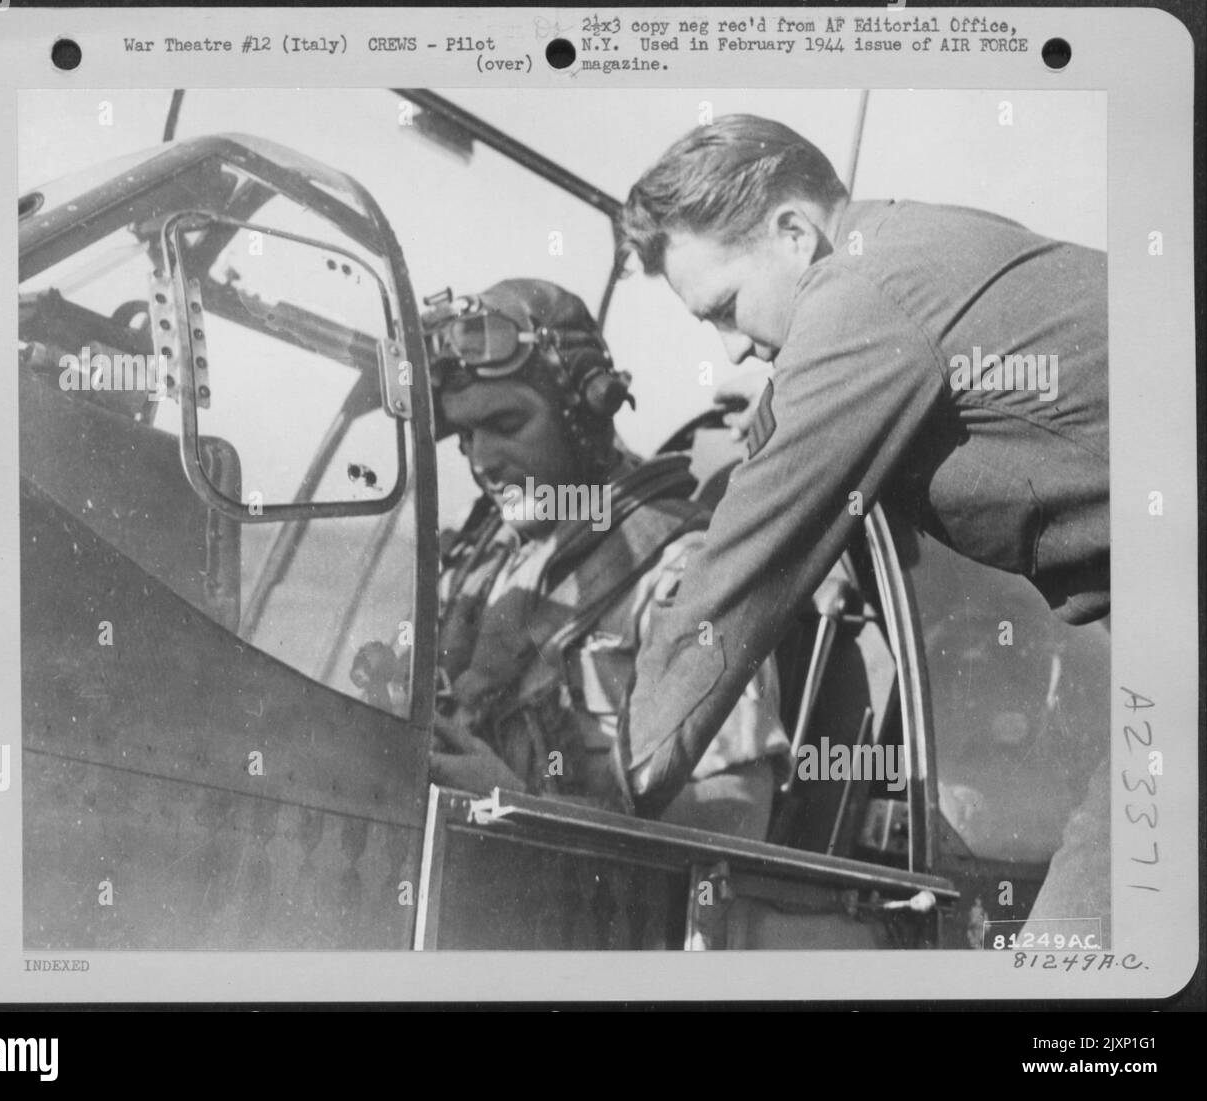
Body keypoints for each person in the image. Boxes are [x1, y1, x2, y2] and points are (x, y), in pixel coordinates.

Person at [615, 115, 1110, 926]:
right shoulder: (901, 257)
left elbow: (735, 576)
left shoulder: (860, 297)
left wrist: (611, 795)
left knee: (1079, 958)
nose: (732, 348)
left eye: (727, 308)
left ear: (792, 231)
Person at [424, 278, 787, 840]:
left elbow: (737, 815)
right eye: (466, 436)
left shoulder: (684, 576)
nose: (483, 460)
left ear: (585, 414)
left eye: (505, 425)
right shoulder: (489, 554)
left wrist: (520, 809)